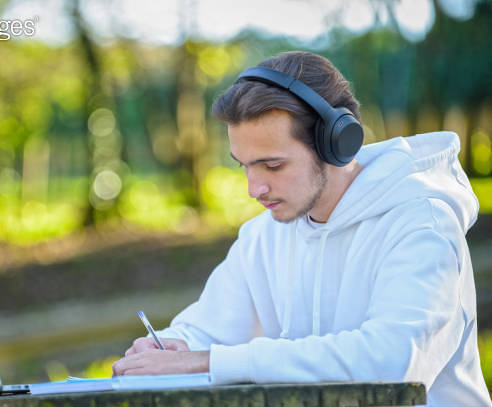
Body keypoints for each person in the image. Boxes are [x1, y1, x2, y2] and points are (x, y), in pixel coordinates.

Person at [111, 51, 491, 406]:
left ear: (337, 144)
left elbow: (392, 362)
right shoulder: (264, 235)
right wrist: (171, 346)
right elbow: (208, 331)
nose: (253, 189)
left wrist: (209, 361)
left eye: (272, 166)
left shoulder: (422, 224)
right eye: (243, 165)